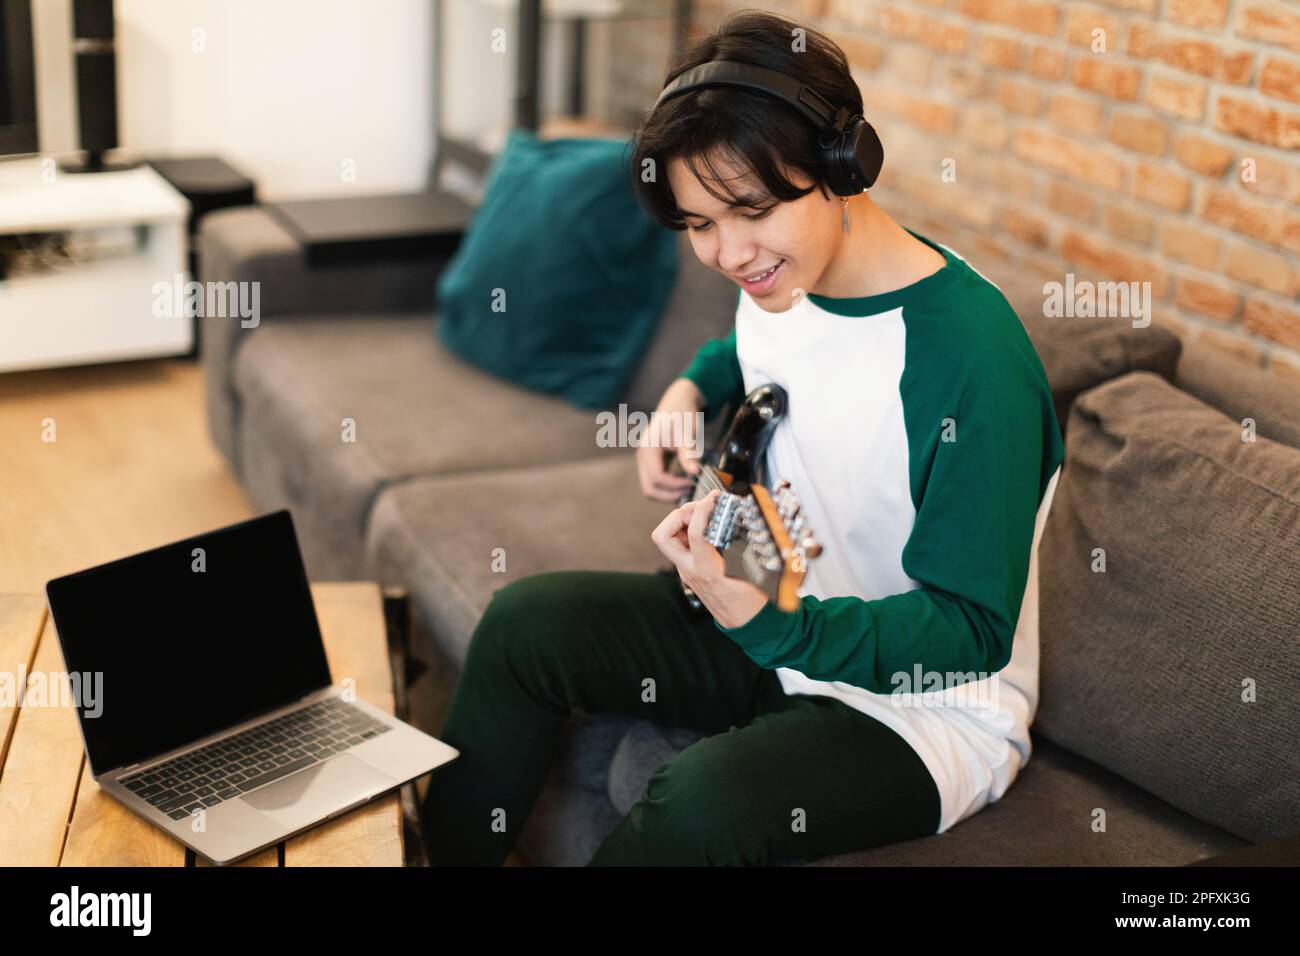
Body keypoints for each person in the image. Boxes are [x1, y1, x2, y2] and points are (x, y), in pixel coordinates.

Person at [420, 9, 1064, 866]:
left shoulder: (969, 358)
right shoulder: (784, 275)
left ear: (844, 165)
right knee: (525, 621)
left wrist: (778, 630)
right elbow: (752, 348)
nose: (726, 253)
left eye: (749, 211)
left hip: (921, 711)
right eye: (697, 226)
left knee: (699, 804)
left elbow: (971, 629)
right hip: (782, 630)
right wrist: (691, 387)